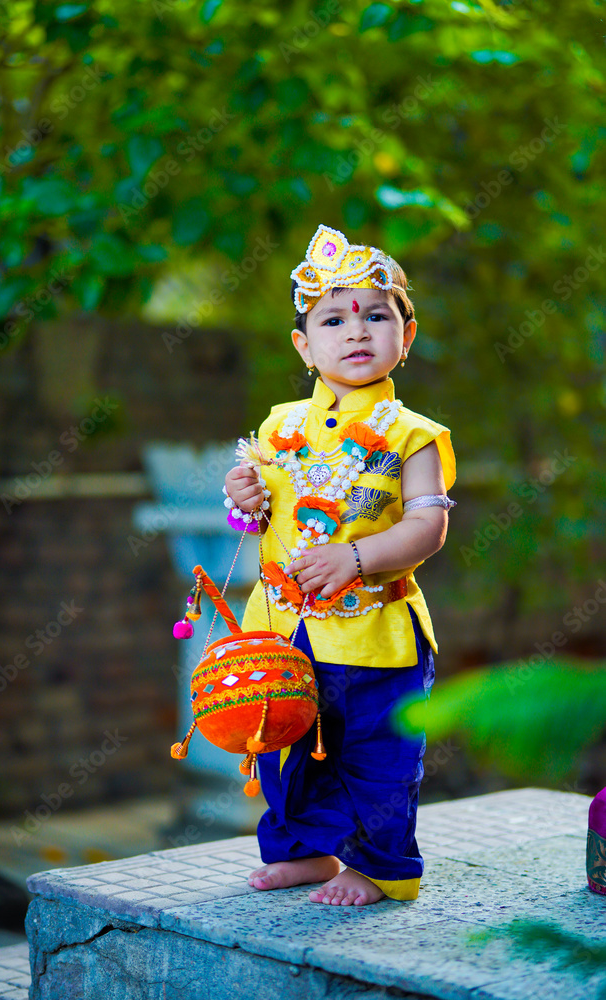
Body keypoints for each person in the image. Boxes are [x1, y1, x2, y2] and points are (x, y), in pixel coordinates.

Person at [223, 224, 456, 907]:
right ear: (304, 344)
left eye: (376, 316)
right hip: (280, 629)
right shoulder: (277, 427)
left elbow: (426, 526)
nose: (356, 333)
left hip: (373, 631)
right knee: (282, 747)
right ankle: (304, 851)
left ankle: (380, 867)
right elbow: (259, 521)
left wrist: (356, 556)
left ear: (403, 338)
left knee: (375, 757)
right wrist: (243, 499)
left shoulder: (413, 435)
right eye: (333, 319)